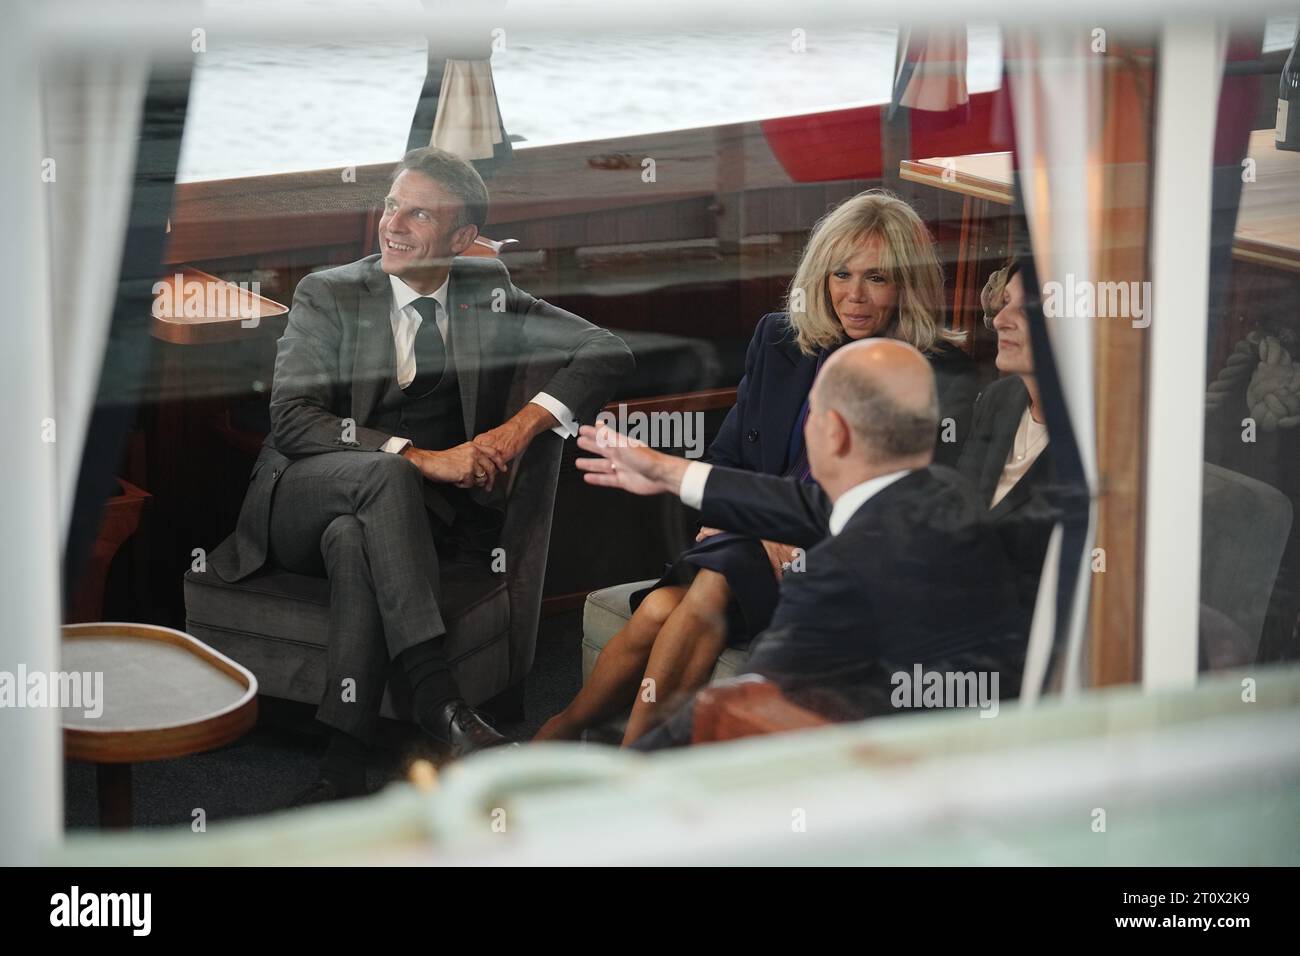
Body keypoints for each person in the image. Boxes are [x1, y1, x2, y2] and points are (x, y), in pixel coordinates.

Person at [210, 146, 634, 803]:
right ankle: (442, 706)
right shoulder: (328, 292)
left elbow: (607, 349)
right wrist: (423, 457)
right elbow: (291, 420)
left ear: (464, 239)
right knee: (388, 478)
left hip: (395, 524)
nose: (394, 226)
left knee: (358, 539)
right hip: (300, 497)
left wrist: (513, 431)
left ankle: (342, 764)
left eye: (420, 215)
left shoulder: (486, 295)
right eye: (390, 206)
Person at [535, 190, 978, 745]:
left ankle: (607, 752)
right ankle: (573, 734)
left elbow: (903, 508)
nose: (854, 296)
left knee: (687, 595)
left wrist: (772, 527)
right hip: (749, 536)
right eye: (841, 274)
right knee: (662, 608)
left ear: (906, 286)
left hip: (836, 558)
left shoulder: (937, 373)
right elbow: (727, 457)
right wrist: (740, 517)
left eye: (878, 278)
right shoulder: (780, 340)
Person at [573, 338, 1025, 751]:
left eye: (810, 414)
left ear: (834, 433)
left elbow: (735, 705)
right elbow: (811, 504)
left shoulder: (832, 578)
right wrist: (667, 471)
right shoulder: (943, 493)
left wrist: (624, 778)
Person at [956, 261, 1057, 616]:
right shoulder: (999, 398)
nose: (1000, 320)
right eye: (1005, 302)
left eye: (1027, 308)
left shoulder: (1105, 436)